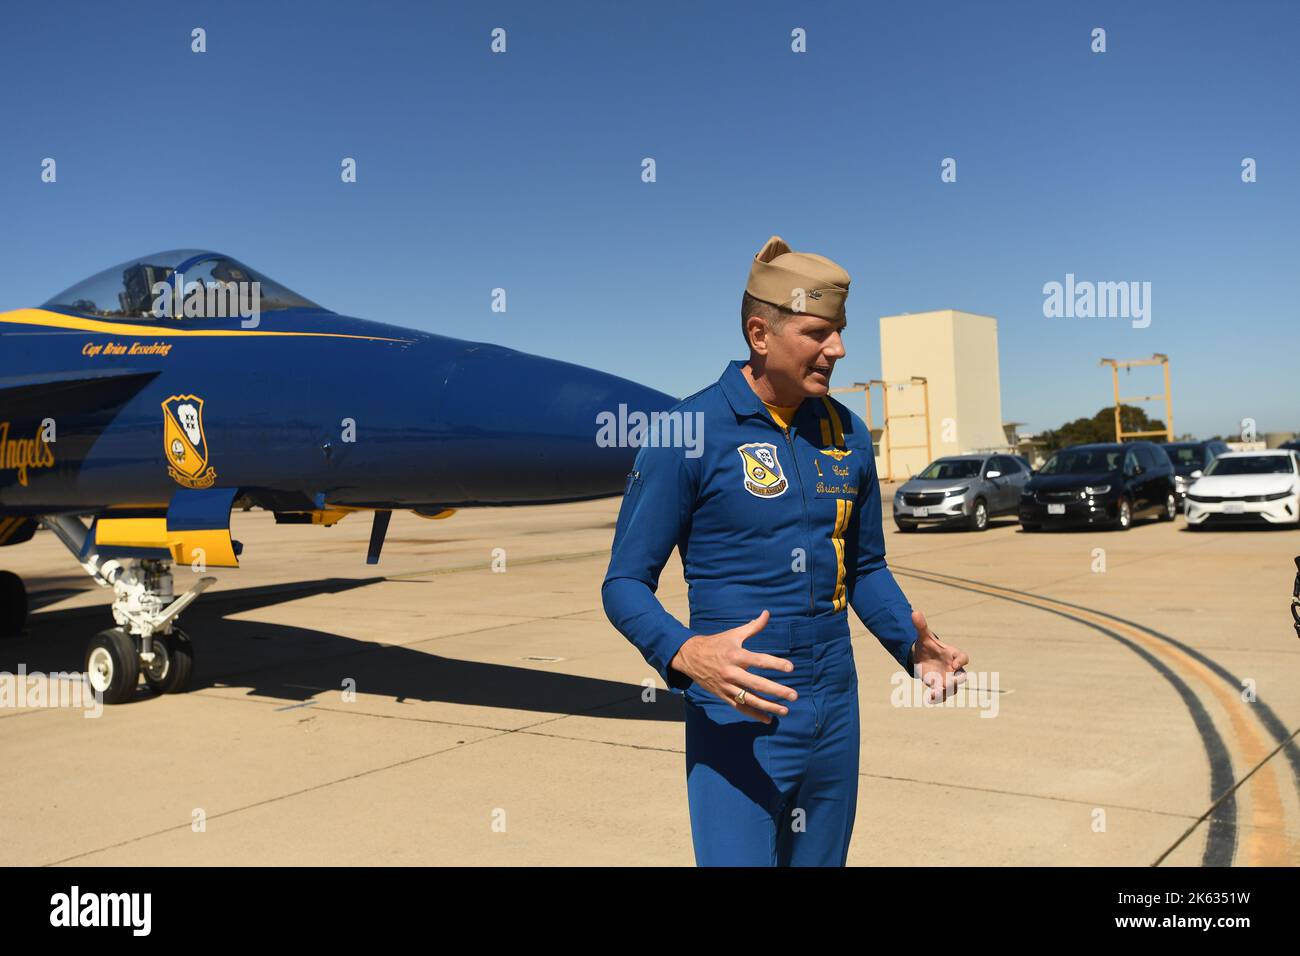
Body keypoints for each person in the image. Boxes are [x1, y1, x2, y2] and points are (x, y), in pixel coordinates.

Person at [601, 235, 969, 866]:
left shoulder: (845, 430)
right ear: (760, 334)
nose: (839, 349)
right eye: (818, 332)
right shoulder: (687, 433)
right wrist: (686, 653)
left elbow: (866, 566)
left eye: (841, 331)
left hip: (834, 701)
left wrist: (912, 647)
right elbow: (623, 584)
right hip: (737, 706)